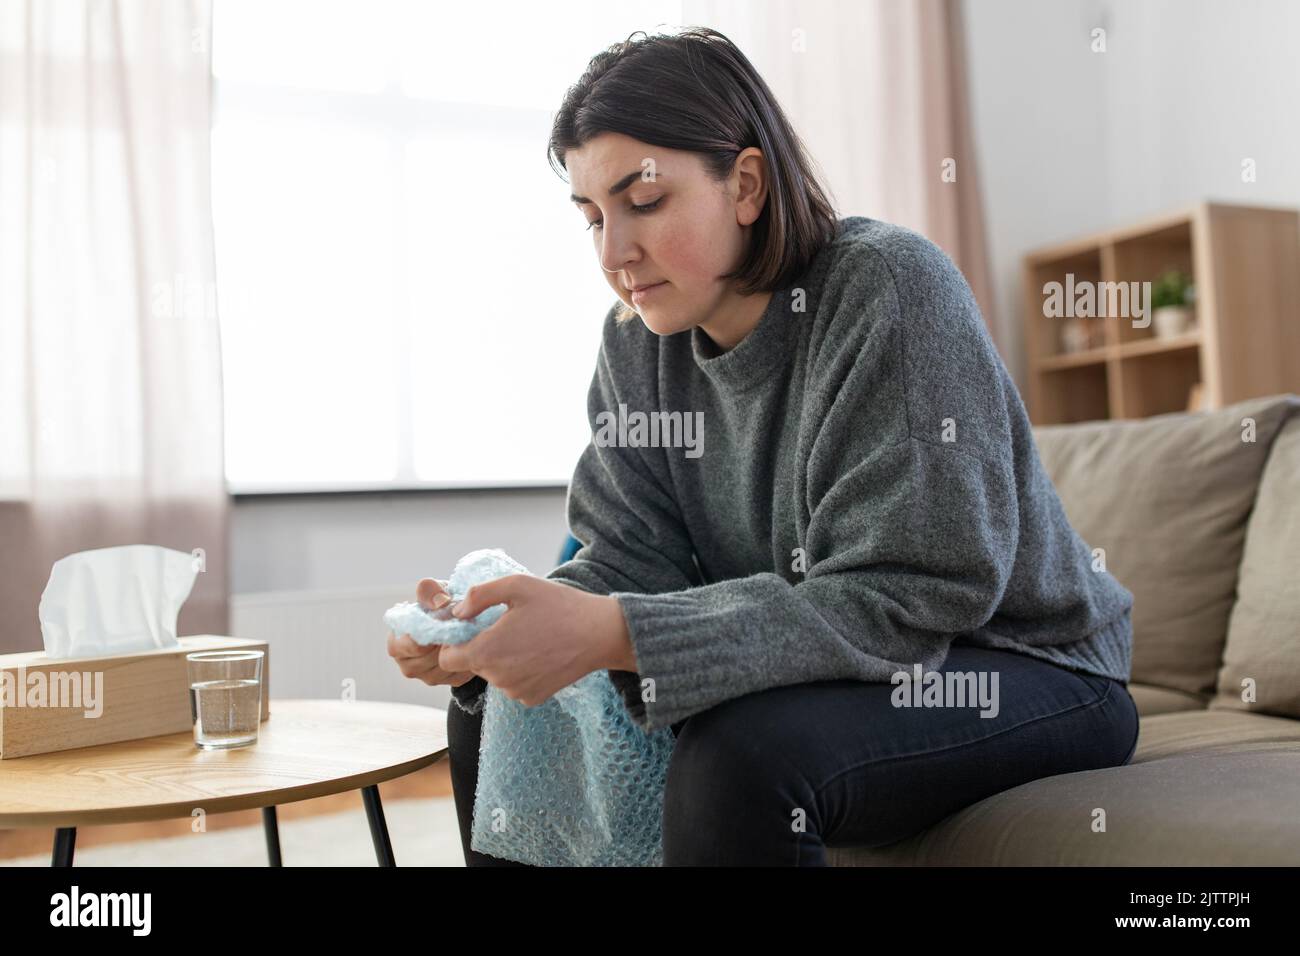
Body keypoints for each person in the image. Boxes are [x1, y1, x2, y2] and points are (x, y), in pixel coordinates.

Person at [386, 27, 1139, 867]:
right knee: (490, 705)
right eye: (592, 216)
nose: (613, 252)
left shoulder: (888, 289)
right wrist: (503, 621)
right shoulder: (637, 340)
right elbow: (630, 558)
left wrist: (614, 632)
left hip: (1025, 668)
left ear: (745, 184)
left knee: (742, 759)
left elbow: (911, 598)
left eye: (644, 201)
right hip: (865, 659)